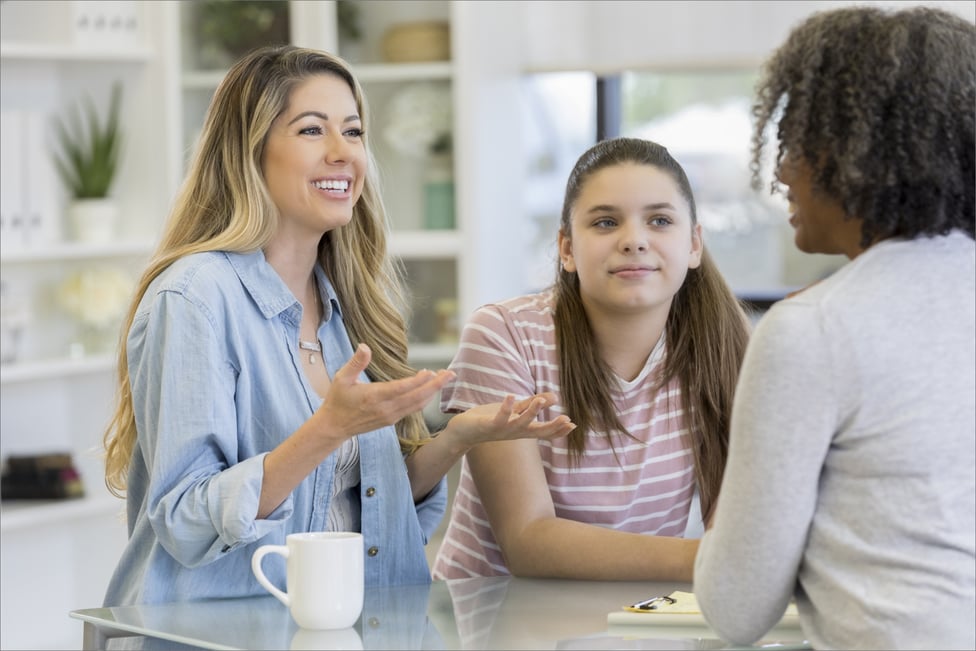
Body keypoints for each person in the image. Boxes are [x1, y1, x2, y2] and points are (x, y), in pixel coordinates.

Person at [100, 45, 575, 607]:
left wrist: (460, 437)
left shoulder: (342, 306)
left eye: (352, 132)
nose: (342, 153)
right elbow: (184, 518)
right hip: (211, 637)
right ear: (249, 153)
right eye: (310, 131)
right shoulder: (195, 298)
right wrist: (328, 429)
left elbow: (363, 500)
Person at [694, 6, 976, 650]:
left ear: (854, 152)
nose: (779, 173)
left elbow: (737, 608)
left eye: (794, 141)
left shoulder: (812, 329)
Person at [432, 137, 751, 581]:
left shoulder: (722, 345)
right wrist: (714, 561)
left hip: (641, 620)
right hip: (497, 626)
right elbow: (527, 541)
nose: (634, 240)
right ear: (566, 249)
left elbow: (735, 523)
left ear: (694, 244)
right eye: (605, 222)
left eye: (659, 220)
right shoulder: (504, 335)